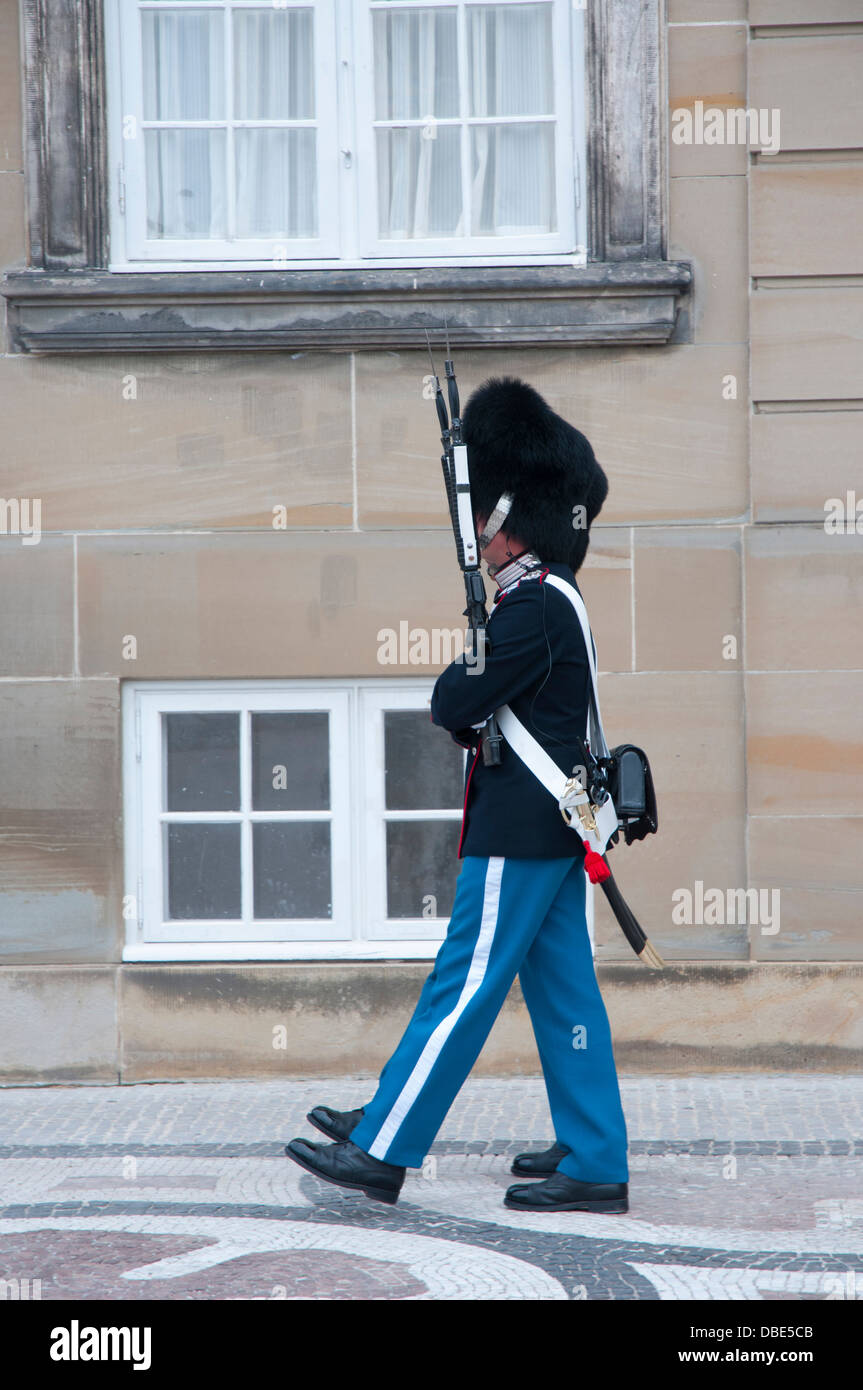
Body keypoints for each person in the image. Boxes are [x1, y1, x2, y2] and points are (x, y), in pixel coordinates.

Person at [285, 377, 629, 1213]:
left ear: (512, 522)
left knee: (462, 987)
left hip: (520, 831)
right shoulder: (545, 599)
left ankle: (384, 1147)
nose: (480, 532)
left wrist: (475, 650)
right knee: (563, 994)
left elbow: (451, 700)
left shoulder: (533, 608)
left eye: (487, 518)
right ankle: (593, 1156)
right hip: (543, 828)